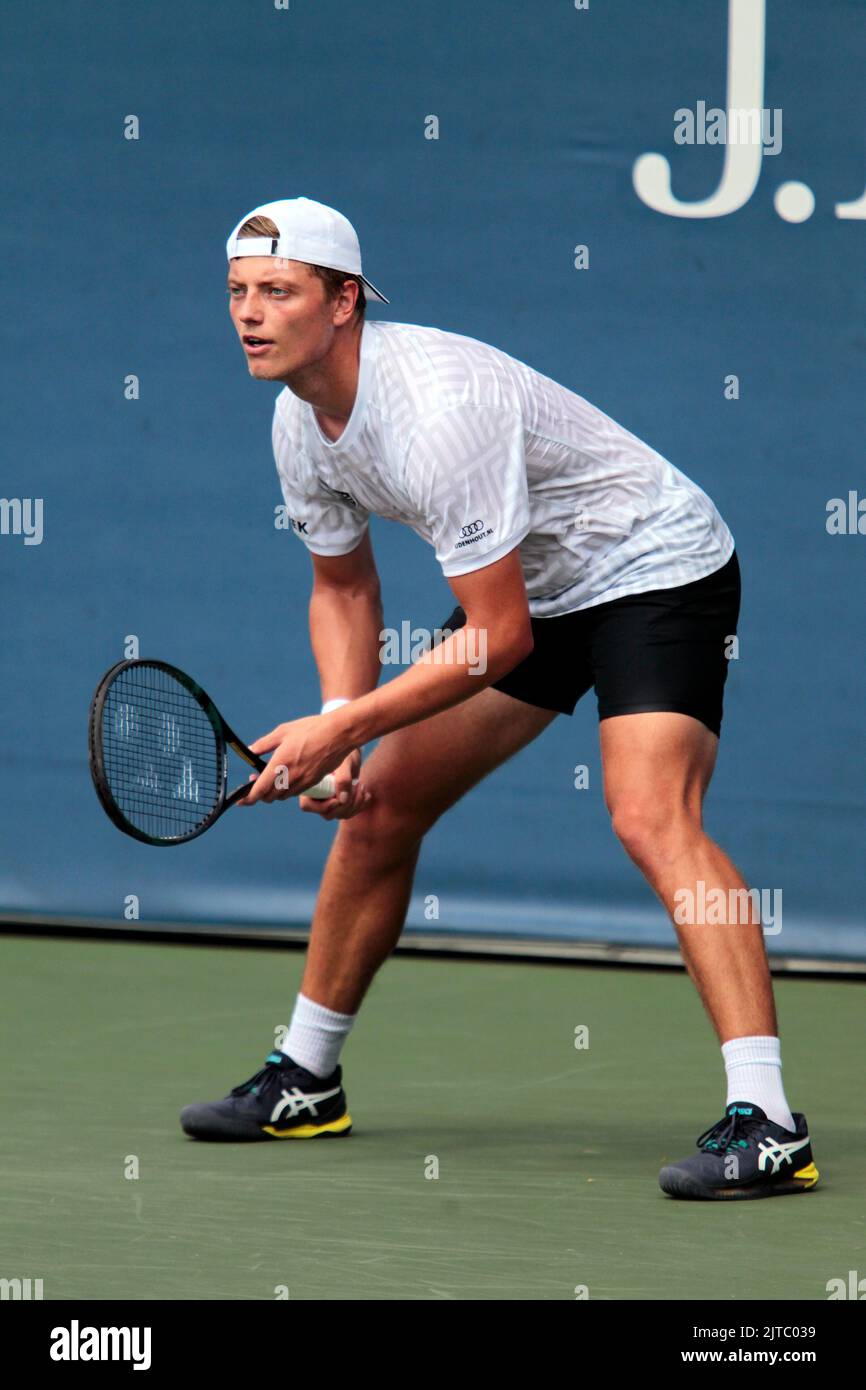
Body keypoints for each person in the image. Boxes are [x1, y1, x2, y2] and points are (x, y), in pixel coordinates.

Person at [180, 197, 819, 1201]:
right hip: (532, 589)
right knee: (381, 803)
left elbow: (497, 637)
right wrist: (345, 732)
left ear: (343, 302)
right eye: (237, 293)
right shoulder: (295, 425)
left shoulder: (435, 405)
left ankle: (767, 1121)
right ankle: (305, 1076)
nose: (250, 314)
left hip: (649, 564)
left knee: (648, 812)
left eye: (278, 291)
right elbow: (344, 588)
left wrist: (341, 723)